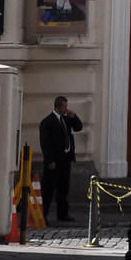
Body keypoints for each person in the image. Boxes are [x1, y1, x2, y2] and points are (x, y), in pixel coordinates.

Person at [38, 95, 83, 223]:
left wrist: (73, 116)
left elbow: (79, 127)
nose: (66, 109)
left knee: (63, 188)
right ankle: (44, 214)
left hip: (65, 159)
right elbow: (45, 143)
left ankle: (62, 213)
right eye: (64, 107)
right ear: (57, 107)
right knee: (48, 189)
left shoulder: (66, 120)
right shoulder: (47, 122)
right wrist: (49, 160)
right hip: (54, 160)